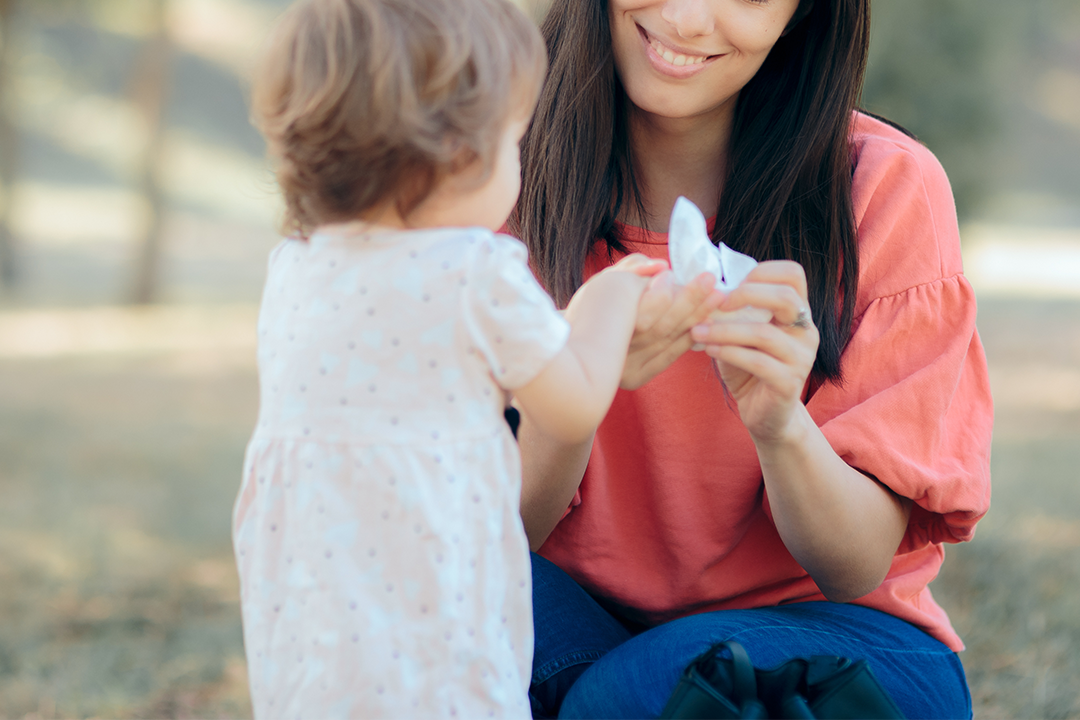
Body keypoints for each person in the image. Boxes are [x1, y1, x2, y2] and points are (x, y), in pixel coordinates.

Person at [508, 0, 994, 718]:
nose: (689, 18)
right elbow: (491, 529)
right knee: (419, 592)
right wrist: (582, 386)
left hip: (834, 635)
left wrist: (779, 423)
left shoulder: (885, 189)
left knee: (643, 689)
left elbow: (854, 568)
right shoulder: (494, 171)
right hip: (578, 625)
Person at [232, 0, 666, 716]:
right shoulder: (476, 272)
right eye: (513, 140)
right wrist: (609, 300)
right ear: (461, 154)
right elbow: (576, 398)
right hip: (431, 610)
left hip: (317, 616)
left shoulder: (297, 267)